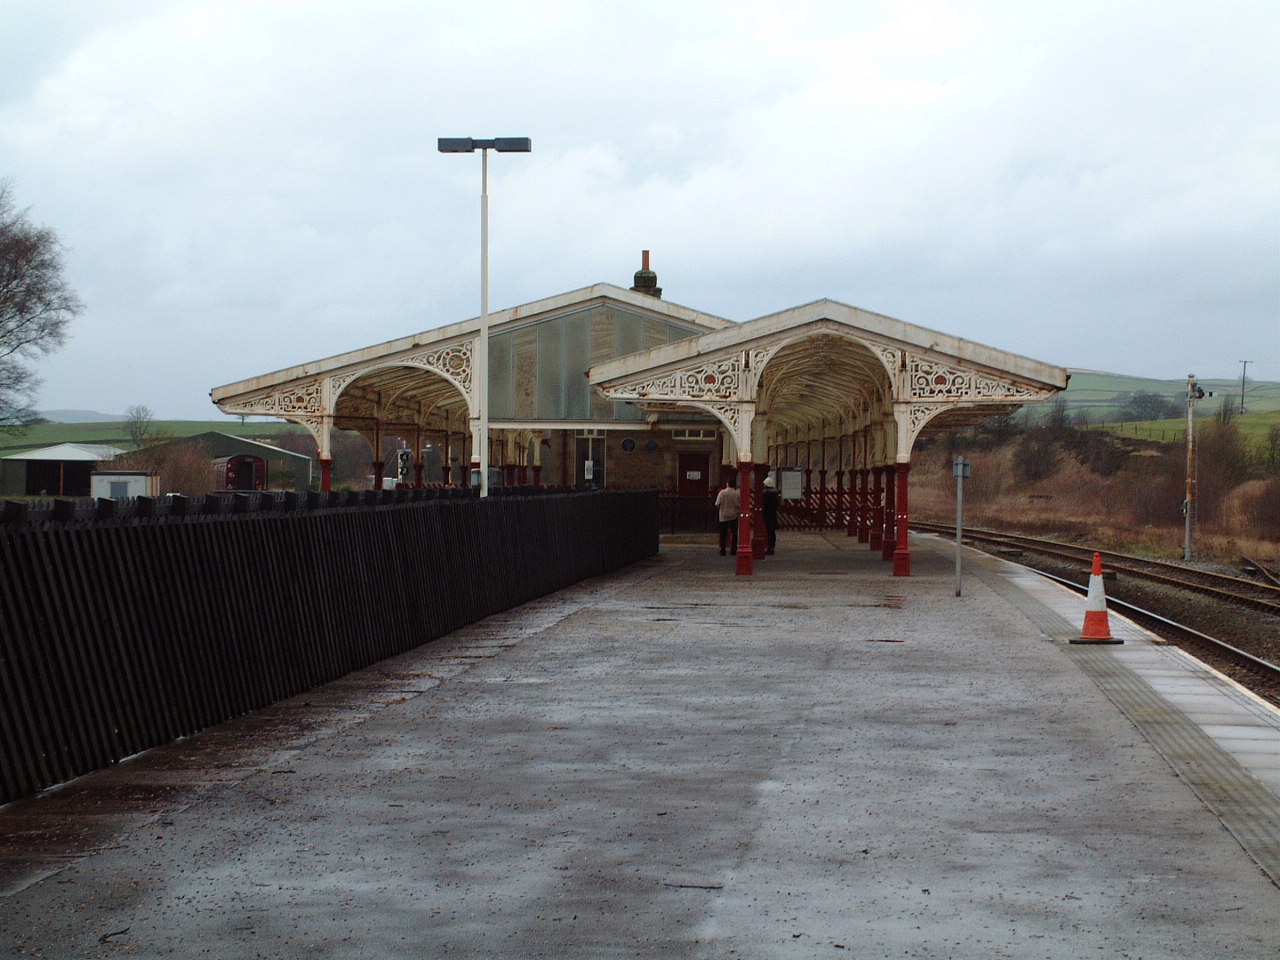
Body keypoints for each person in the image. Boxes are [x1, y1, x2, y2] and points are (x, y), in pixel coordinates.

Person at [714, 475, 740, 556]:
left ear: (727, 484)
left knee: (723, 534)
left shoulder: (722, 493)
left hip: (723, 516)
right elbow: (737, 505)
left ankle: (723, 549)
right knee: (734, 533)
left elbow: (717, 504)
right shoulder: (736, 493)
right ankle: (733, 549)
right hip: (733, 516)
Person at [763, 475, 781, 554]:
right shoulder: (775, 494)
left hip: (767, 515)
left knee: (769, 531)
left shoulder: (766, 494)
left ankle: (769, 547)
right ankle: (772, 547)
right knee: (772, 532)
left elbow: (764, 504)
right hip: (773, 515)